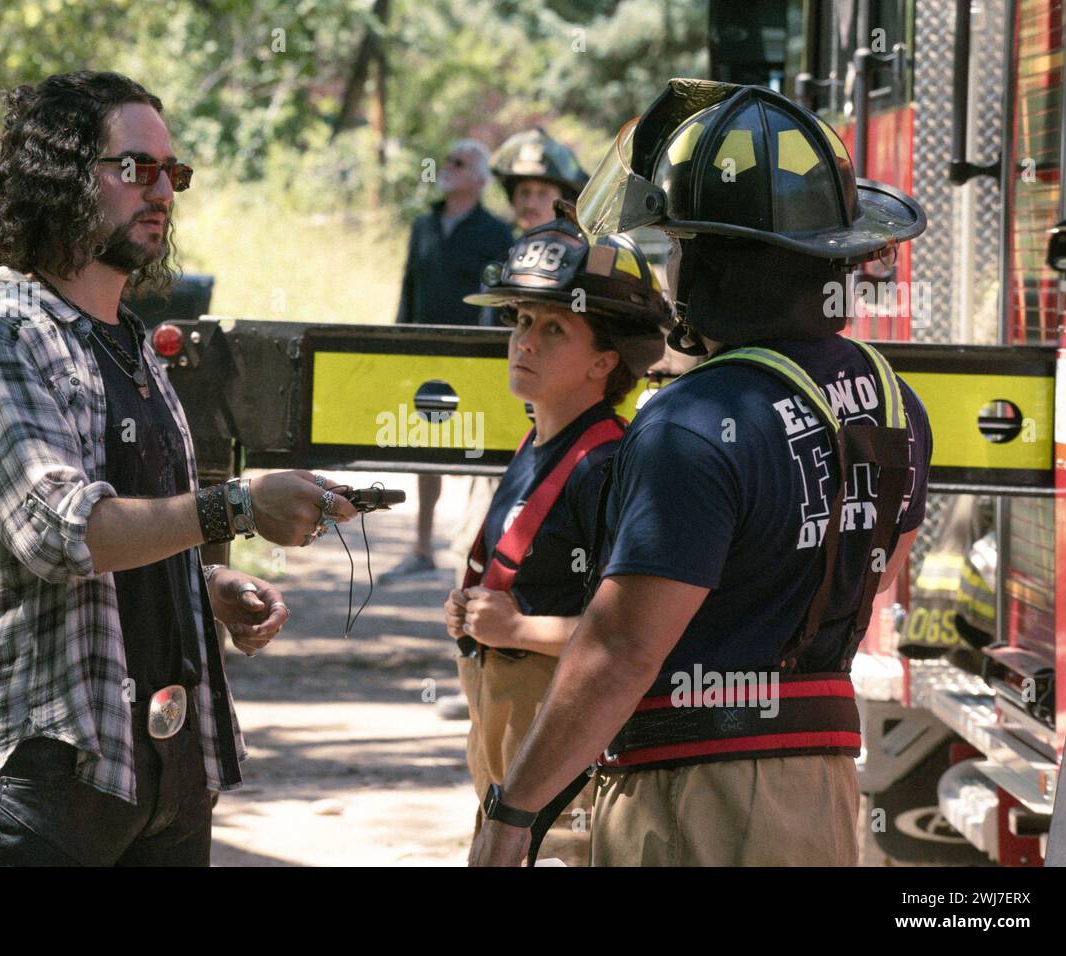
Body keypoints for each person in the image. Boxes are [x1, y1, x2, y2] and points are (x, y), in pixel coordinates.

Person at [467, 79, 933, 867]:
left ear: (716, 267)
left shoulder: (690, 420)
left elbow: (621, 651)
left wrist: (514, 810)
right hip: (820, 786)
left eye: (681, 247)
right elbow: (879, 573)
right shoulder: (892, 399)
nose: (673, 268)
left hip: (698, 798)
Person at [0, 70, 358, 866]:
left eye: (174, 172)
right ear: (58, 175)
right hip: (48, 778)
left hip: (166, 779)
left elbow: (125, 543)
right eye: (135, 168)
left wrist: (200, 588)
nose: (162, 191)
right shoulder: (3, 337)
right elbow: (59, 535)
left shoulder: (132, 342)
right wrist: (236, 508)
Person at [444, 208, 670, 865]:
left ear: (605, 360)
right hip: (506, 744)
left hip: (563, 760)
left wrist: (515, 631)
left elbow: (636, 634)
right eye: (519, 322)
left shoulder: (604, 468)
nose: (525, 342)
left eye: (552, 328)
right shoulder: (539, 442)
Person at [385, 140, 514, 582]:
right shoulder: (423, 225)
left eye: (458, 163)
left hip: (475, 357)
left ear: (479, 178)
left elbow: (499, 298)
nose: (448, 168)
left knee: (484, 448)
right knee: (425, 448)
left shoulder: (498, 232)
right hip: (424, 353)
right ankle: (422, 547)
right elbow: (408, 286)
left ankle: (489, 550)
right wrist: (398, 343)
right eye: (447, 161)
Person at [489, 127, 590, 235]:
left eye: (543, 194)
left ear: (564, 205)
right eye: (524, 192)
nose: (530, 204)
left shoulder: (582, 251)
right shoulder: (499, 248)